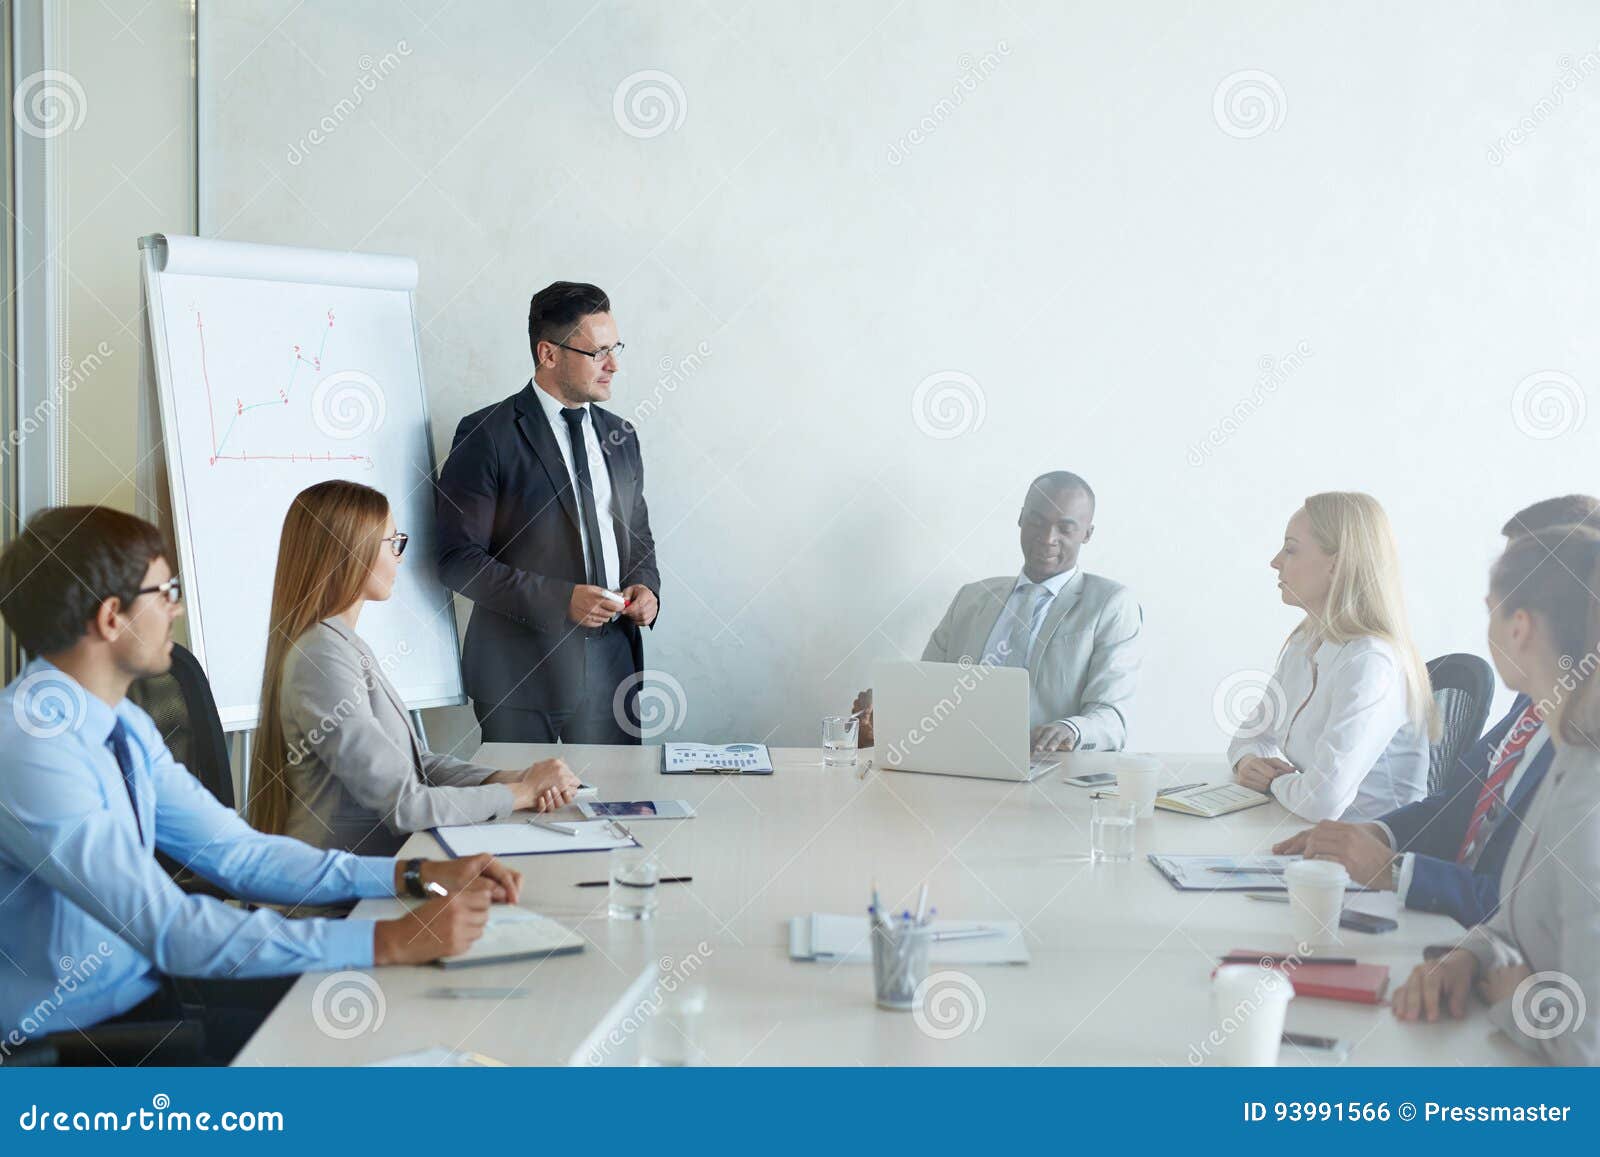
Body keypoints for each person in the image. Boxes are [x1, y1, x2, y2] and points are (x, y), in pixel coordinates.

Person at [0, 507, 516, 1063]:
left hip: (159, 996)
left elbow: (239, 855)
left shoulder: (120, 722)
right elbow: (167, 927)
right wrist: (387, 941)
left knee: (409, 1023)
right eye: (164, 589)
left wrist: (410, 874)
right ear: (110, 619)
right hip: (82, 1045)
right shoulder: (29, 749)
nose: (176, 606)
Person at [1272, 494, 1600, 924]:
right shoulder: (1534, 703)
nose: (1491, 599)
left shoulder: (1579, 745)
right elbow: (1463, 803)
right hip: (1456, 930)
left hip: (1473, 932)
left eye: (1508, 584)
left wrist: (1396, 872)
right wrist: (1378, 833)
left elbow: (1530, 908)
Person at [250, 480, 580, 857]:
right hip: (344, 894)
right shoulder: (321, 658)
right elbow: (405, 806)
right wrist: (521, 793)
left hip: (382, 869)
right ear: (351, 551)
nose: (400, 556)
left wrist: (508, 778)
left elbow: (416, 763)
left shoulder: (340, 643)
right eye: (393, 543)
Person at [1391, 526, 1600, 1065]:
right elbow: (1519, 915)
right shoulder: (1570, 755)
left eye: (1491, 610)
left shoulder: (1586, 793)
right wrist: (1470, 956)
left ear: (1519, 628)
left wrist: (1519, 1001)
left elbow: (1586, 1046)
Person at [436, 281, 660, 743]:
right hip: (518, 677)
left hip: (612, 671)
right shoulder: (486, 434)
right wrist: (562, 601)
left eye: (615, 347)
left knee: (616, 810)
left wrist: (648, 588)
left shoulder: (622, 436)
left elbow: (636, 536)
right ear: (549, 354)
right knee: (524, 815)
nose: (614, 364)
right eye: (598, 352)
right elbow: (457, 561)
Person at [855, 471, 1141, 753]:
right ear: (1020, 518)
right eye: (1036, 521)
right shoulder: (971, 598)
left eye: (1065, 529)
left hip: (1050, 776)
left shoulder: (1110, 604)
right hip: (957, 769)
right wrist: (886, 713)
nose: (1047, 538)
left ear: (1087, 534)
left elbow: (1112, 719)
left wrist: (1072, 729)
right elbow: (929, 693)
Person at [1229, 492, 1435, 821]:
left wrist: (1274, 781)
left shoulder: (1372, 662)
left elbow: (1323, 800)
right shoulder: (1305, 640)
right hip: (1306, 834)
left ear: (1336, 565)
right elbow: (1250, 735)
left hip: (1365, 858)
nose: (1275, 561)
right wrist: (1251, 762)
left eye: (1291, 549)